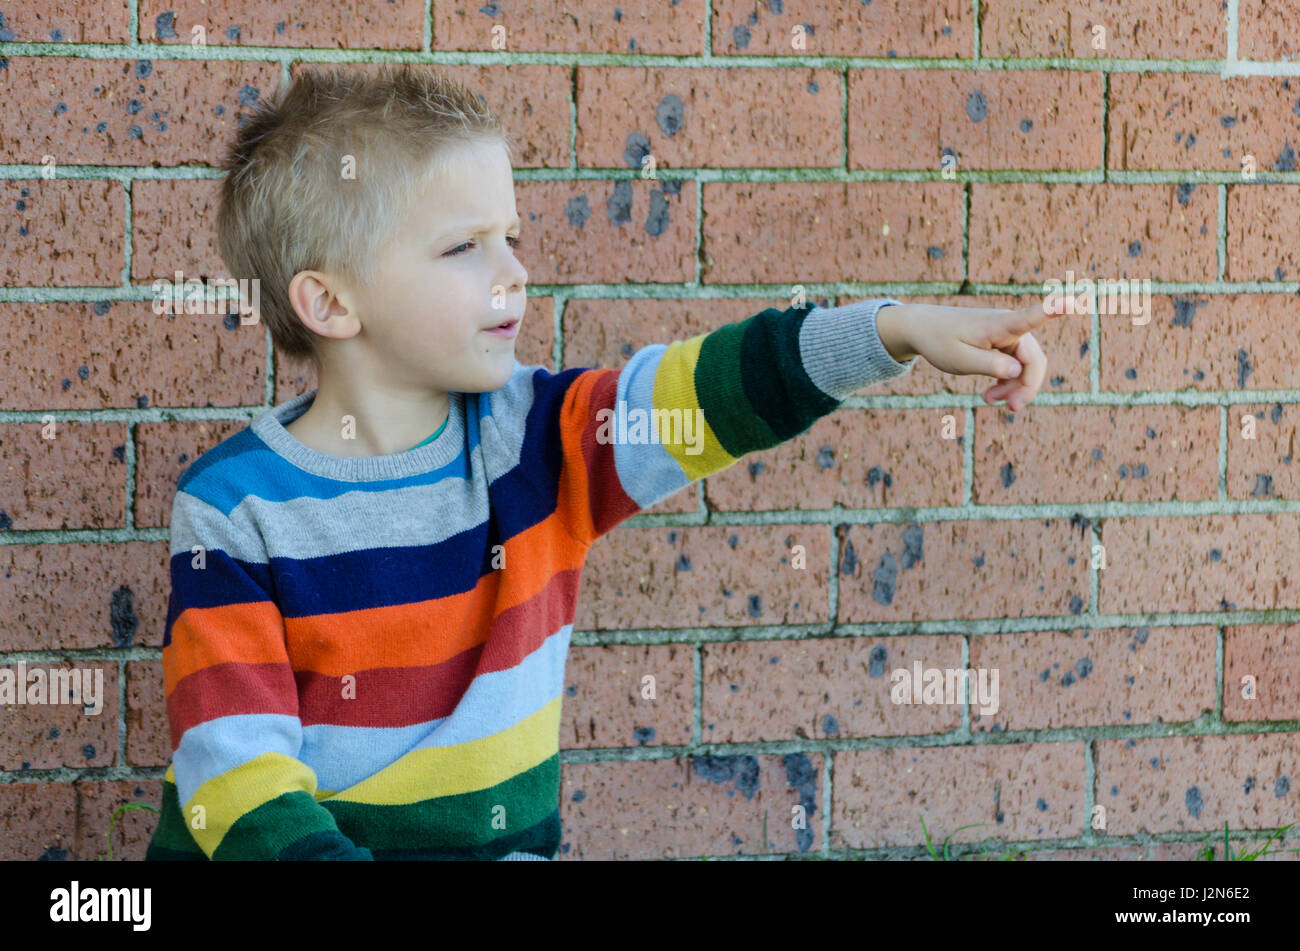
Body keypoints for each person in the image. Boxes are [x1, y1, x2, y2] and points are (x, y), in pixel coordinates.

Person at [145, 64, 1063, 861]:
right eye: (464, 246)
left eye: (512, 236)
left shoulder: (543, 439)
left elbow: (715, 389)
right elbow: (240, 783)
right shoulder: (232, 509)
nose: (512, 272)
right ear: (330, 302)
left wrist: (894, 331)